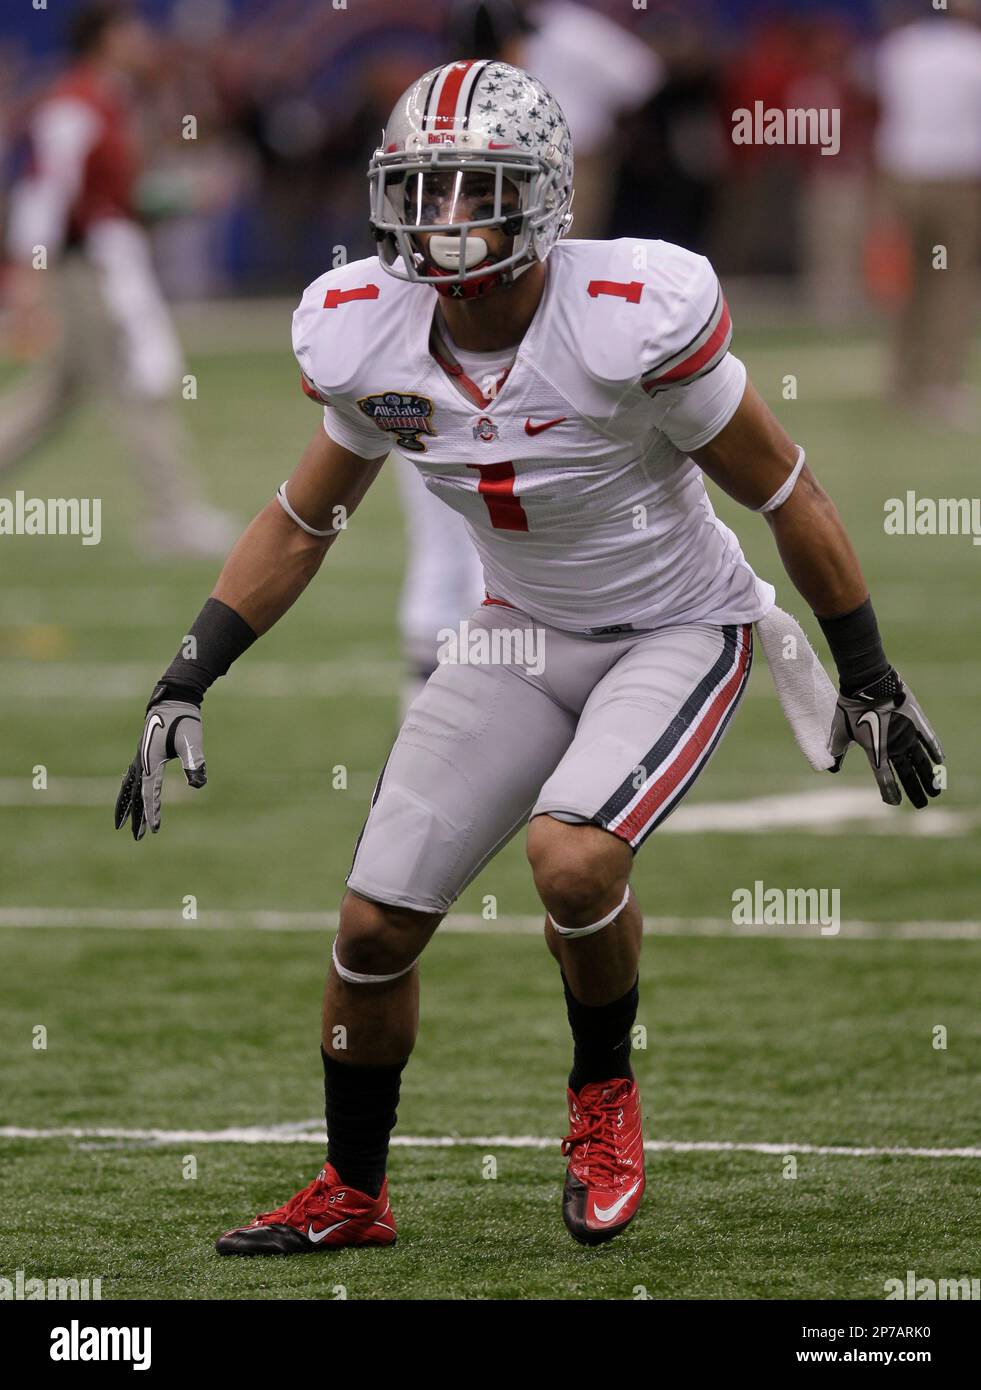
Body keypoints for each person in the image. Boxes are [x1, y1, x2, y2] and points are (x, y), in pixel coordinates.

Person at [115, 60, 944, 1252]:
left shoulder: (630, 313)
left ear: (543, 200)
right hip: (512, 631)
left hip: (675, 623)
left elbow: (785, 488)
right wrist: (189, 670)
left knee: (570, 860)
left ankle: (603, 1092)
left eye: (473, 190)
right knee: (370, 931)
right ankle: (354, 1189)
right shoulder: (369, 335)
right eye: (424, 189)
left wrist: (865, 670)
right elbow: (304, 520)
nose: (444, 219)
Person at [1, 0, 236, 556]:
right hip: (86, 268)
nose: (142, 38)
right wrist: (30, 274)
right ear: (105, 39)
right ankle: (173, 515)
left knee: (54, 396)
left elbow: (115, 197)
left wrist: (182, 195)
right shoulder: (74, 103)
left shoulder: (106, 98)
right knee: (140, 380)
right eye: (130, 29)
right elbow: (46, 193)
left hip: (101, 258)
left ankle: (175, 513)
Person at [875, 0, 981, 421]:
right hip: (953, 178)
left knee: (910, 278)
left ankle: (903, 378)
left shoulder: (898, 48)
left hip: (903, 175)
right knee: (951, 279)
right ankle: (941, 382)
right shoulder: (971, 51)